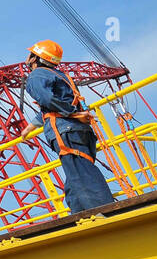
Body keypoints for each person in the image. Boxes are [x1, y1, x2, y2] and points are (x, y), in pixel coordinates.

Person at [24, 40, 115, 214]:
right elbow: (52, 105)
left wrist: (72, 112)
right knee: (75, 171)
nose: (27, 57)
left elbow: (48, 100)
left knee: (81, 171)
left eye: (31, 54)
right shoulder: (60, 76)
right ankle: (78, 213)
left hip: (65, 129)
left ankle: (104, 212)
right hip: (79, 130)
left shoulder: (37, 75)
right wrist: (30, 127)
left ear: (36, 58)